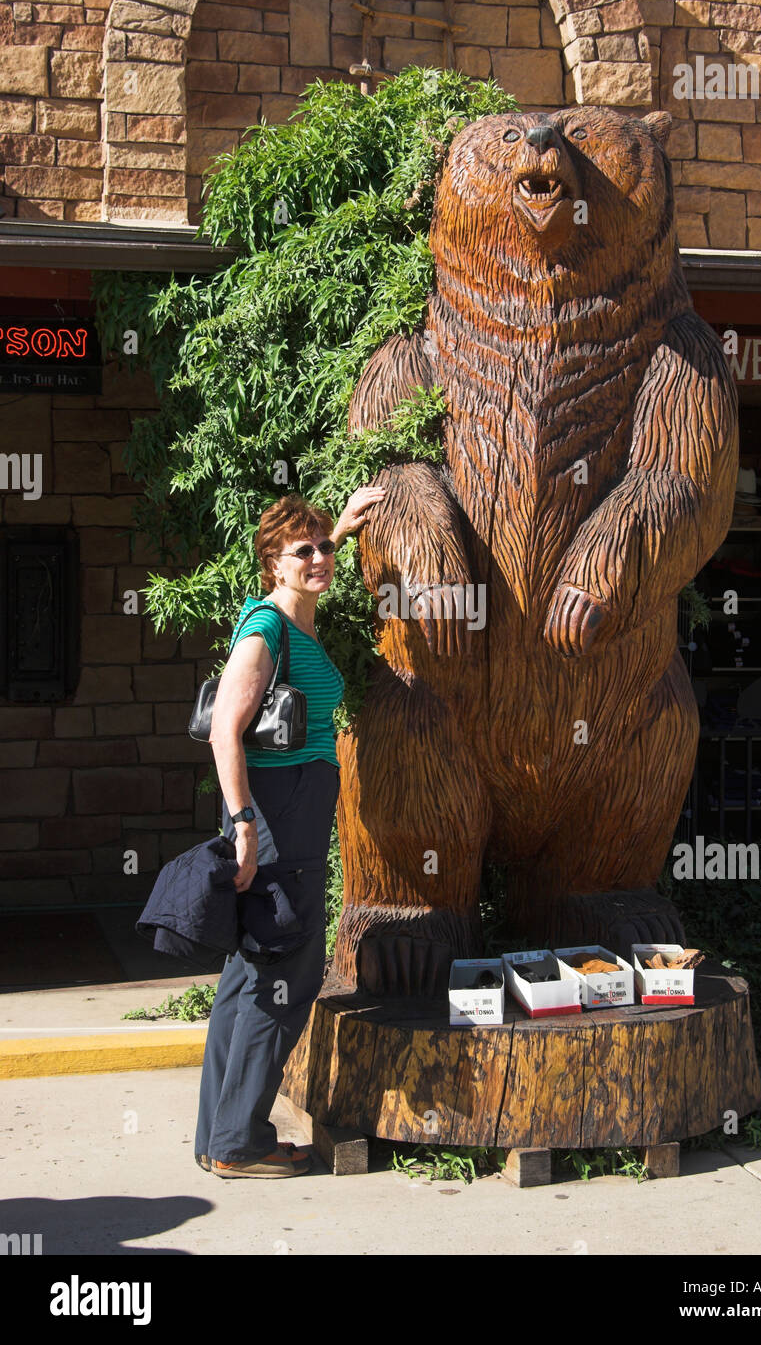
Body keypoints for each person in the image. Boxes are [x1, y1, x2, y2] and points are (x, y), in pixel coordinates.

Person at [194, 484, 385, 1178]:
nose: (320, 558)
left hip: (287, 815)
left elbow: (313, 573)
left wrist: (341, 527)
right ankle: (241, 1142)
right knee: (287, 971)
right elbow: (224, 732)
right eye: (302, 551)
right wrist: (245, 826)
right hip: (275, 819)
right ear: (272, 563)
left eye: (325, 548)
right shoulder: (266, 628)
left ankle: (220, 1137)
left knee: (249, 972)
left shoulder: (297, 618)